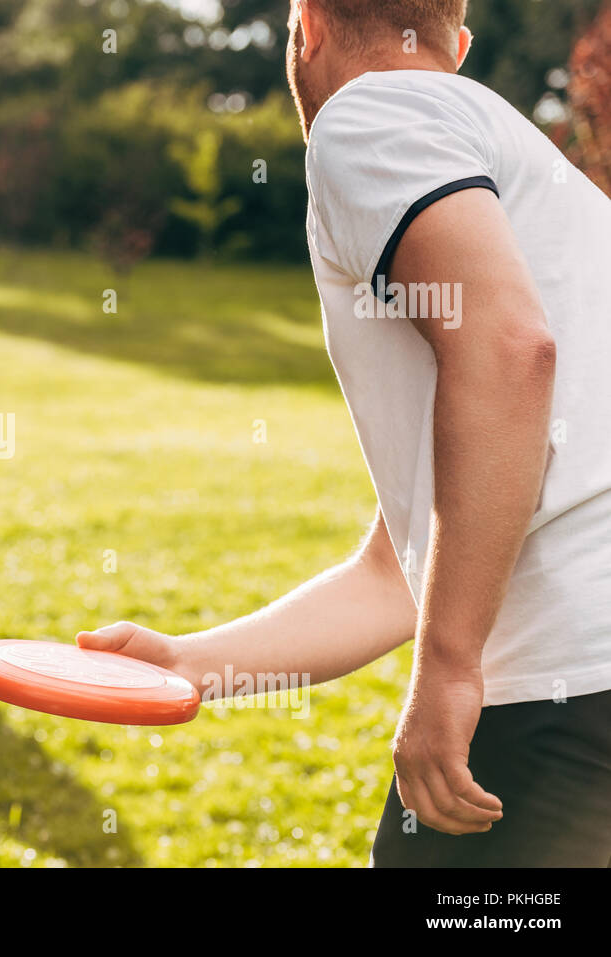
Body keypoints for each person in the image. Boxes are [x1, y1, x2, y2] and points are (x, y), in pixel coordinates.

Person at [79, 0, 611, 867]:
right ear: (461, 47)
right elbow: (397, 576)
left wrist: (450, 667)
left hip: (553, 700)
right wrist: (188, 662)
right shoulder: (544, 185)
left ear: (308, 27)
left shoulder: (369, 111)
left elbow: (512, 349)